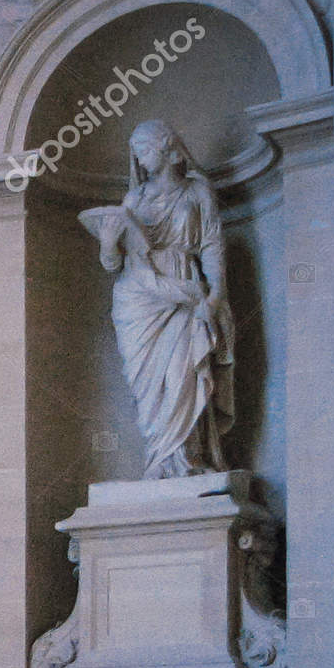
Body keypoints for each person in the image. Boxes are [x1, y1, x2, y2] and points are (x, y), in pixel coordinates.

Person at [85, 119, 235, 479]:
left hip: (183, 290)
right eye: (136, 153)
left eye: (144, 150)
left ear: (168, 149)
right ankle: (159, 459)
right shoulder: (134, 199)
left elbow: (212, 246)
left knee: (183, 375)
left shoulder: (197, 192)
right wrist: (107, 245)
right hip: (139, 298)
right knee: (149, 387)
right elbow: (114, 263)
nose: (139, 159)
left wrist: (215, 297)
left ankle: (188, 459)